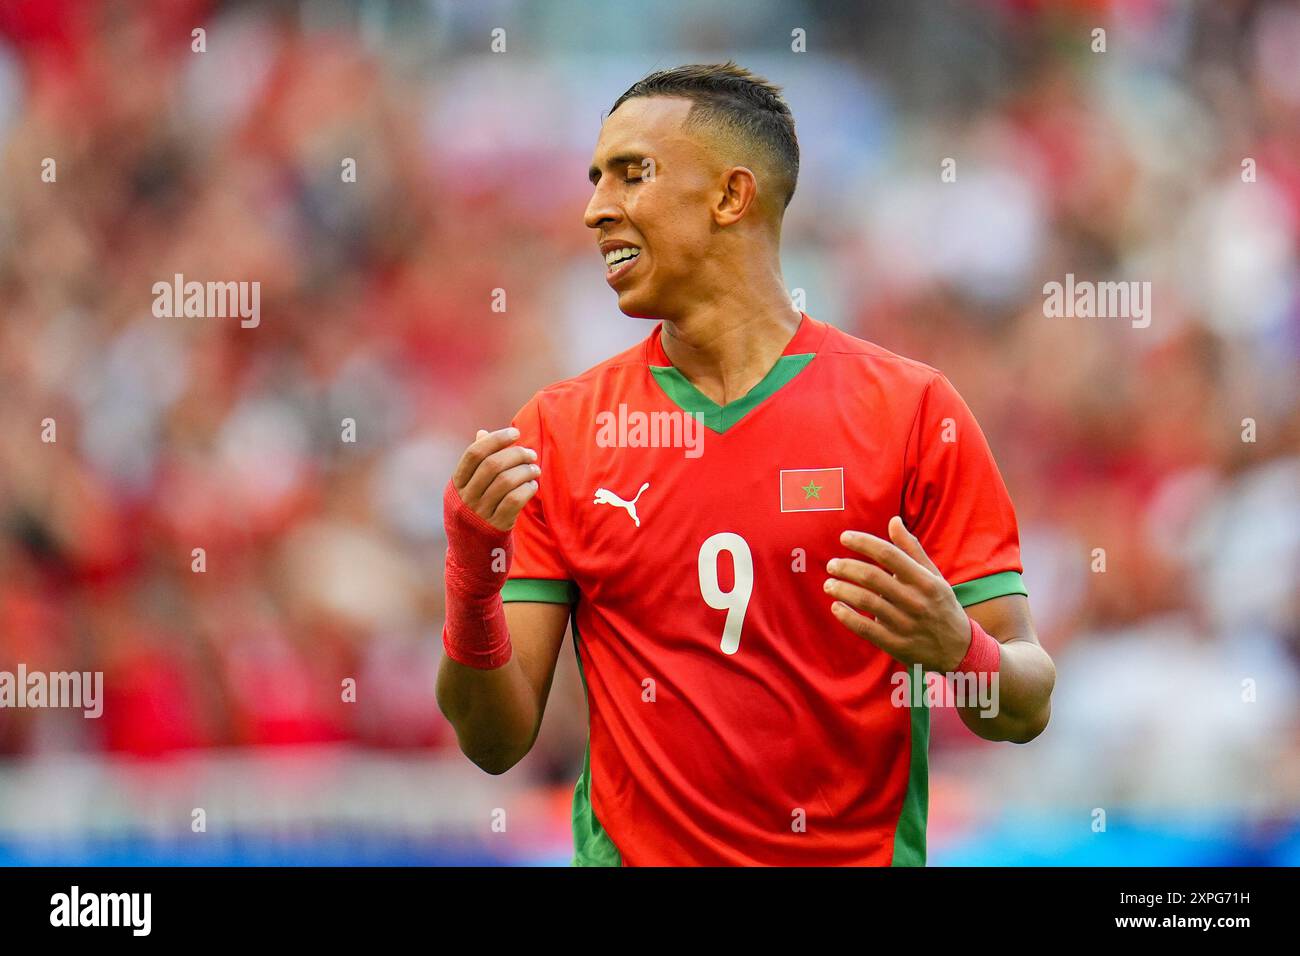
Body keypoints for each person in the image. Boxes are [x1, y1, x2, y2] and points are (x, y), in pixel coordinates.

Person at [435, 62, 1055, 866]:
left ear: (732, 197)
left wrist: (959, 648)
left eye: (633, 174)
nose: (596, 210)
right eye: (595, 179)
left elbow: (1024, 705)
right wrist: (471, 580)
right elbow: (494, 742)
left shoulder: (911, 412)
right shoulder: (558, 431)